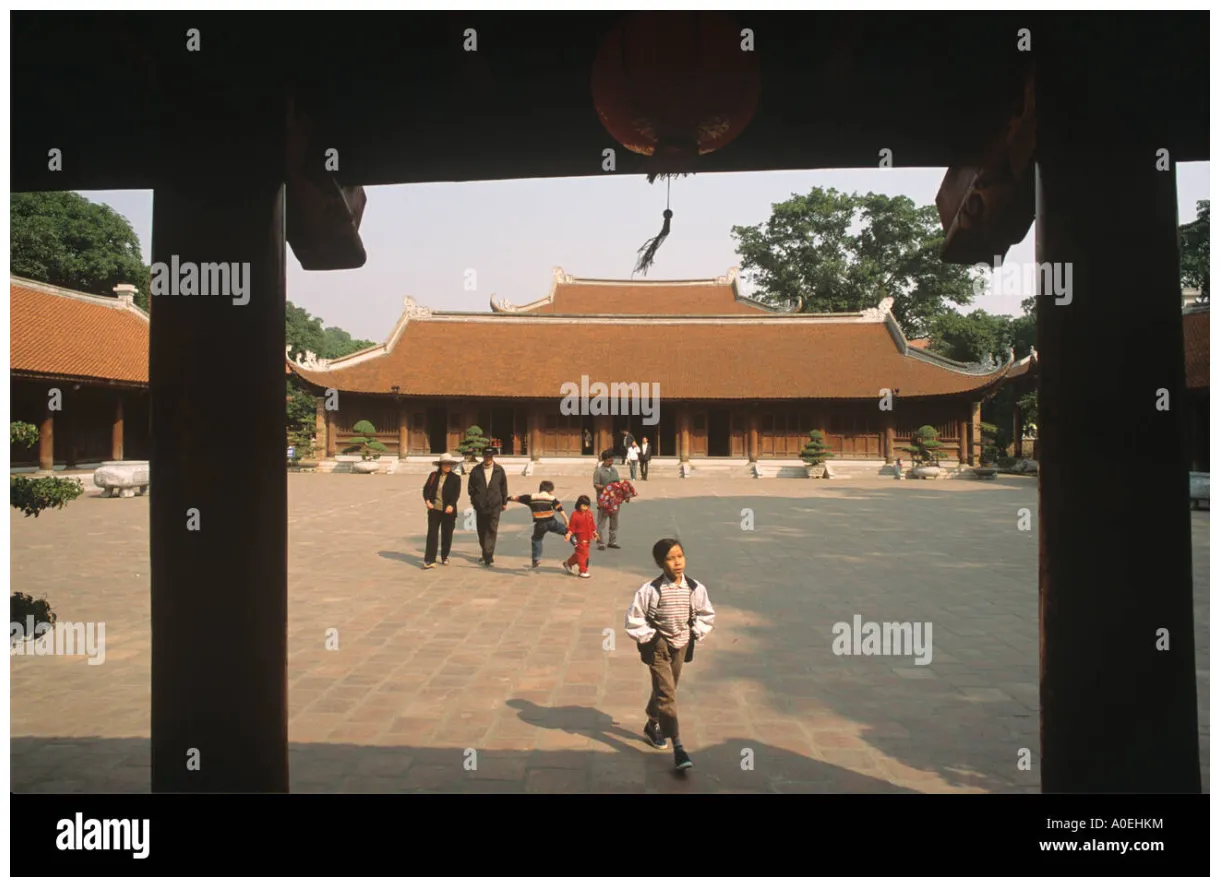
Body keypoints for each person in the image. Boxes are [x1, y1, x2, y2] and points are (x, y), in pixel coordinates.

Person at [624, 538, 715, 771]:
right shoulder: (651, 590)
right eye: (670, 558)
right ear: (659, 562)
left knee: (668, 688)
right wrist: (652, 639)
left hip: (682, 644)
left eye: (680, 556)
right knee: (667, 694)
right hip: (658, 646)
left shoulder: (695, 588)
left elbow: (706, 614)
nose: (677, 563)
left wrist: (695, 633)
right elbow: (634, 619)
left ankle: (652, 722)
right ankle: (678, 746)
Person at [508, 480, 569, 568]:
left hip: (540, 524)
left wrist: (507, 499)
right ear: (550, 491)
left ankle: (536, 559)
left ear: (540, 489)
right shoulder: (551, 498)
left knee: (536, 539)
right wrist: (566, 520)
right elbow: (560, 510)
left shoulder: (531, 497)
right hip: (551, 522)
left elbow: (516, 498)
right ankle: (574, 541)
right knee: (566, 530)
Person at [467, 445, 509, 567]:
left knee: (492, 529)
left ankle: (488, 556)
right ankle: (485, 551)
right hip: (480, 505)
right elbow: (471, 488)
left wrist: (504, 502)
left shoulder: (499, 470)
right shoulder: (476, 470)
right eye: (486, 456)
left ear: (493, 457)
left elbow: (503, 486)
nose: (488, 458)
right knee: (481, 529)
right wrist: (475, 500)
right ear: (483, 457)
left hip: (495, 503)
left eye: (490, 456)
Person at [422, 453, 462, 568]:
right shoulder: (433, 476)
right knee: (432, 534)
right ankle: (430, 559)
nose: (447, 466)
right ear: (441, 465)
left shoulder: (455, 478)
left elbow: (456, 494)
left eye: (449, 464)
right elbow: (426, 489)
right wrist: (427, 501)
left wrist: (451, 505)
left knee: (447, 534)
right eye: (445, 464)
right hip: (434, 509)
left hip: (448, 511)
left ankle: (444, 556)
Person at [562, 494, 599, 578]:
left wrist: (595, 532)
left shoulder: (589, 514)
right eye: (584, 506)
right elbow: (572, 527)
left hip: (588, 537)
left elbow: (592, 524)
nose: (586, 508)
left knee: (579, 554)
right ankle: (583, 570)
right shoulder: (575, 515)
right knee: (584, 555)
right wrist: (569, 534)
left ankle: (568, 563)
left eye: (587, 506)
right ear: (579, 505)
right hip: (579, 538)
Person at [592, 449, 621, 551]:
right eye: (608, 460)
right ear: (603, 460)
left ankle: (612, 541)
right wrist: (605, 488)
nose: (610, 462)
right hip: (603, 500)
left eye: (612, 460)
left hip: (615, 500)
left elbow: (618, 482)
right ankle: (600, 542)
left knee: (614, 522)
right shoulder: (598, 471)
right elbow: (596, 485)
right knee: (601, 522)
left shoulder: (614, 470)